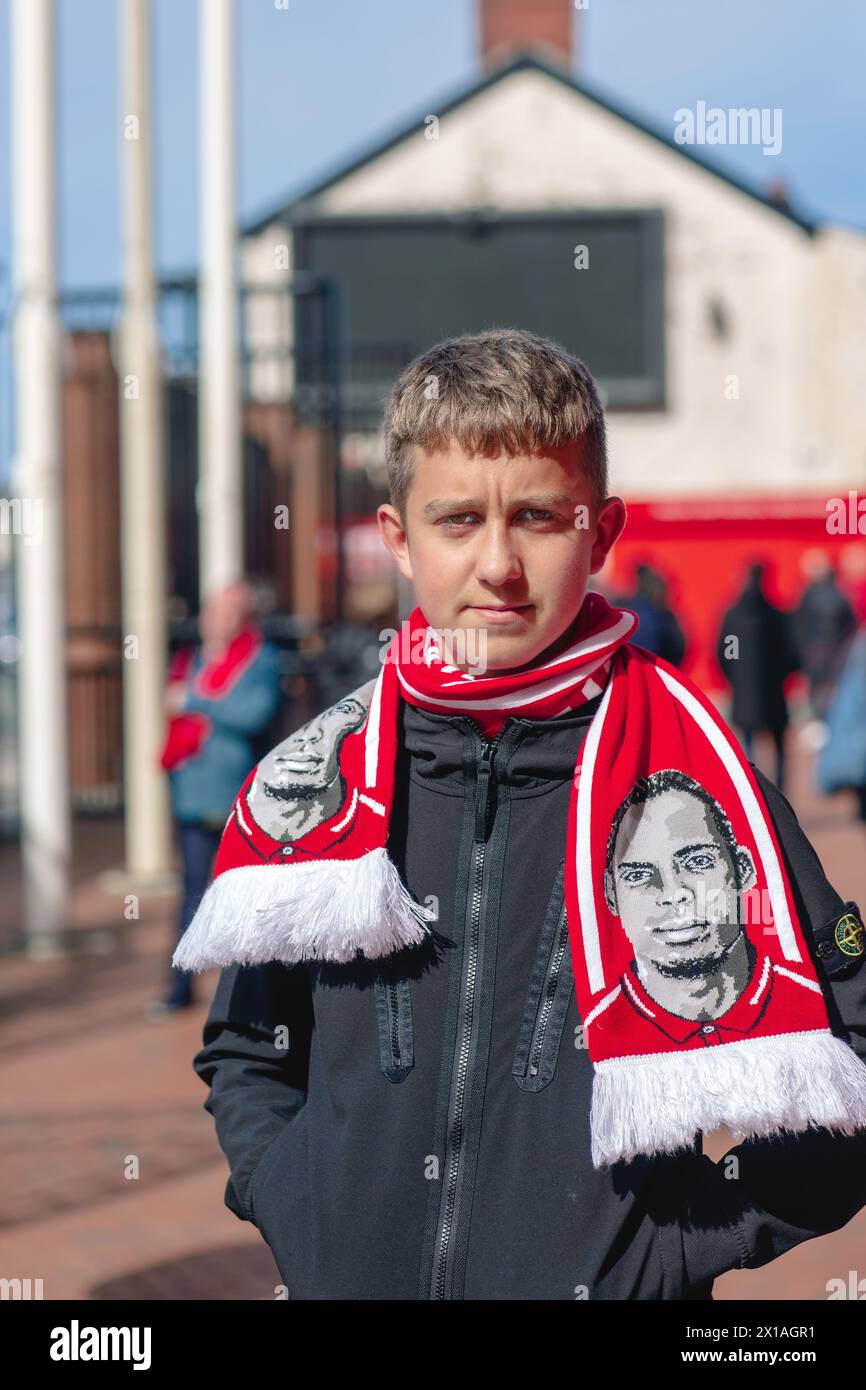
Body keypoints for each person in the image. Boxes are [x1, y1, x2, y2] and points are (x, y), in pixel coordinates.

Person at [183, 330, 866, 1300]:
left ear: (600, 532)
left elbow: (854, 1042)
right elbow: (249, 1047)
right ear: (397, 536)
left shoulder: (700, 783)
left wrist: (676, 1247)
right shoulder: (319, 783)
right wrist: (294, 1199)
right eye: (457, 518)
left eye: (537, 517)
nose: (497, 563)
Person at [150, 579, 283, 1016]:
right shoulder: (192, 660)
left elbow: (253, 714)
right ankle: (181, 985)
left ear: (243, 617)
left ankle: (249, 994)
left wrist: (198, 702)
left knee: (244, 892)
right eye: (212, 611)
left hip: (238, 796)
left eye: (227, 612)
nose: (217, 620)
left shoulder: (260, 660)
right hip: (192, 792)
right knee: (191, 889)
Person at [715, 562, 799, 793]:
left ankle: (751, 790)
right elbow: (791, 653)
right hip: (773, 690)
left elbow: (727, 652)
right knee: (779, 746)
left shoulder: (734, 617)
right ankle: (781, 791)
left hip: (744, 692)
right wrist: (780, 675)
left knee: (746, 746)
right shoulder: (778, 616)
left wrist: (737, 677)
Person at [793, 554, 857, 720]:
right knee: (837, 693)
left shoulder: (806, 597)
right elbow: (851, 628)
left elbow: (797, 627)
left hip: (812, 655)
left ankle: (819, 724)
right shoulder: (841, 596)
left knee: (816, 694)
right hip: (838, 655)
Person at [613, 562, 686, 666]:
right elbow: (678, 646)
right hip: (655, 670)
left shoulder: (626, 609)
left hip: (630, 669)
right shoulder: (662, 614)